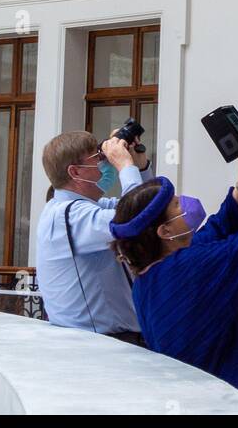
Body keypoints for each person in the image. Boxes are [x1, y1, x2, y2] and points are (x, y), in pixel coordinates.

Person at [111, 139, 238, 414]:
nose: (184, 204)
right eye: (175, 204)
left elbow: (216, 230)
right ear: (165, 232)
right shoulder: (186, 271)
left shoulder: (156, 271)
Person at [36, 128, 153, 341]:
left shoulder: (84, 208)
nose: (105, 163)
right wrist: (125, 166)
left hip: (109, 338)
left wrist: (140, 164)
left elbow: (148, 208)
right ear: (75, 172)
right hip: (98, 343)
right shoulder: (70, 217)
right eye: (98, 159)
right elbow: (135, 216)